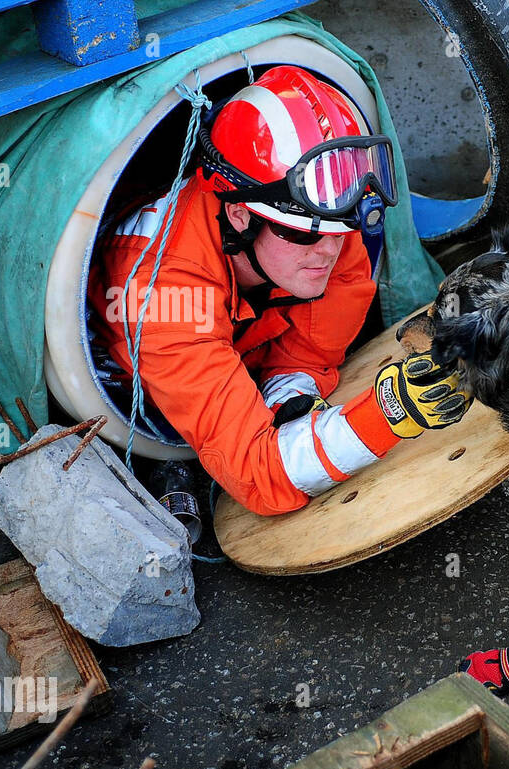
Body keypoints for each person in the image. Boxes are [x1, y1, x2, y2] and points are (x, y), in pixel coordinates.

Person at [88, 65, 469, 519]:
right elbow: (261, 478)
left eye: (344, 224)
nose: (331, 250)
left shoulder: (329, 239)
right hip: (134, 368)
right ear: (241, 218)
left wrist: (288, 402)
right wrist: (391, 412)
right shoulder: (167, 301)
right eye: (305, 234)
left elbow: (306, 356)